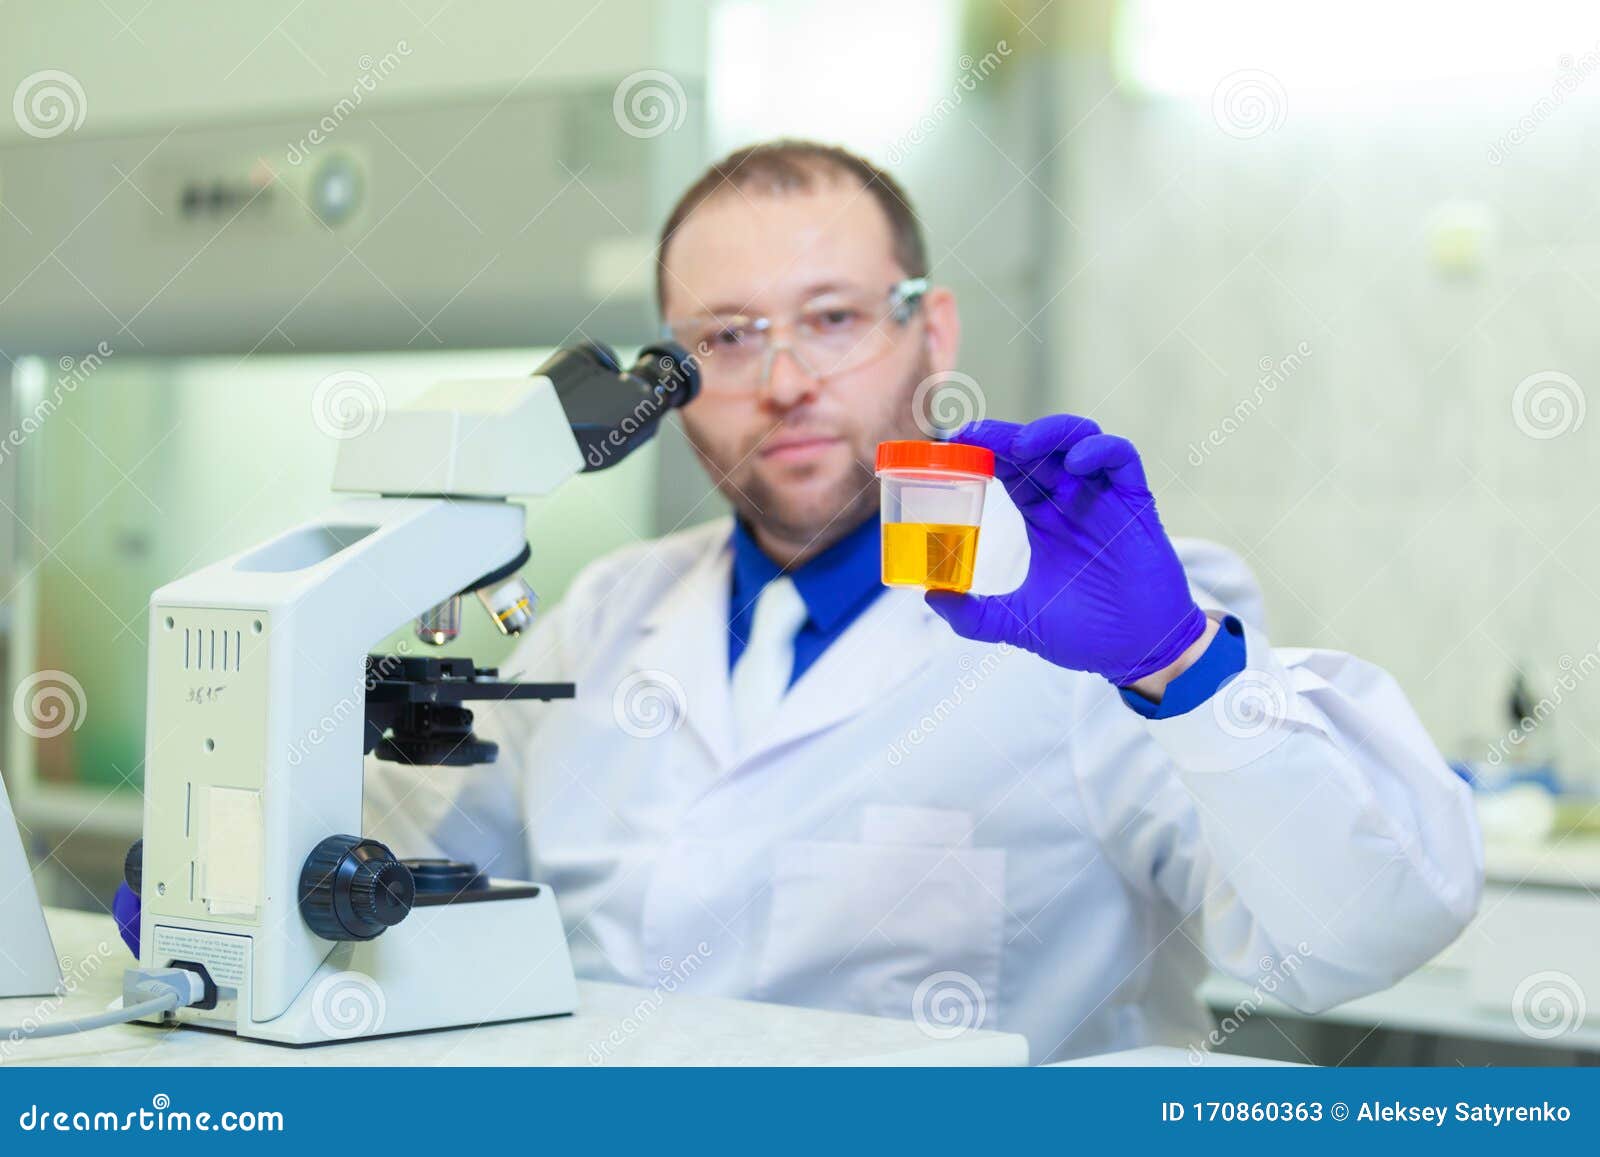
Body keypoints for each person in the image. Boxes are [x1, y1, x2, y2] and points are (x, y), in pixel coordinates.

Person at [366, 140, 1482, 1063]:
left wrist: (1180, 665)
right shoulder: (604, 613)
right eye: (727, 337)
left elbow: (1359, 936)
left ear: (931, 331)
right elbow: (393, 888)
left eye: (836, 319)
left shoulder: (1111, 624)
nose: (788, 381)